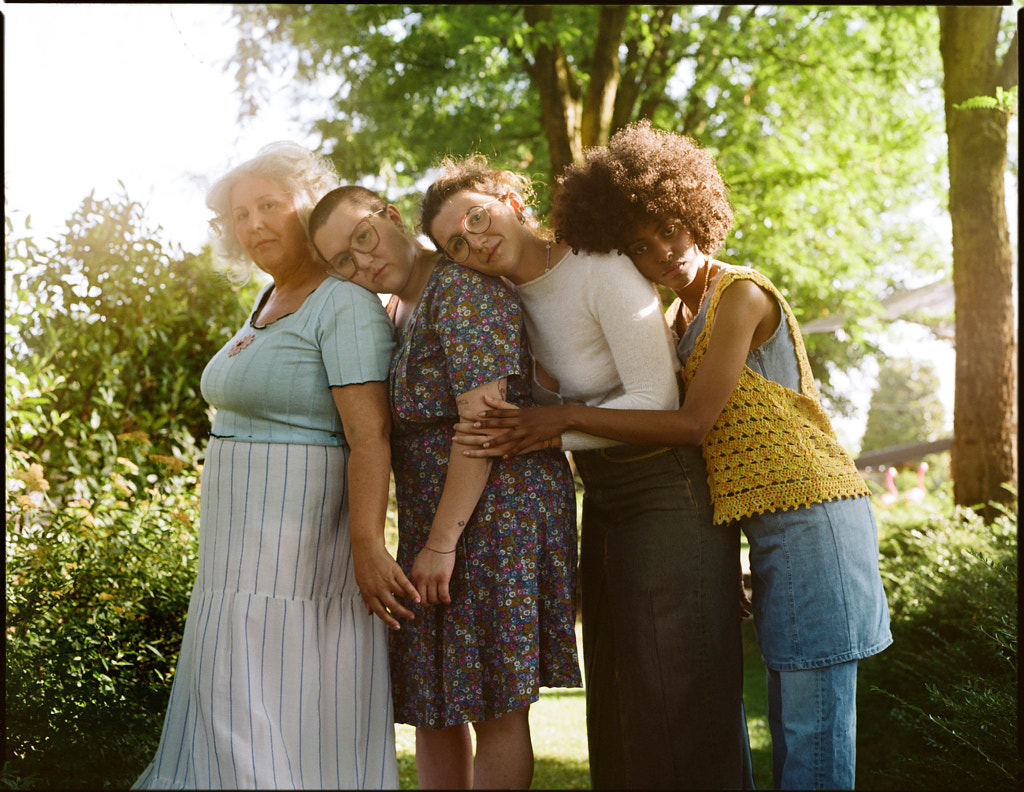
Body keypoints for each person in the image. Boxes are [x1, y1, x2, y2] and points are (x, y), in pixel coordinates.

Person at [463, 120, 893, 790]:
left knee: (812, 726)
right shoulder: (674, 321)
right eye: (638, 245)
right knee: (782, 713)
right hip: (760, 526)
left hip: (817, 517)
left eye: (670, 228)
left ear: (697, 212)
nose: (664, 250)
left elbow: (689, 425)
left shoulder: (740, 295)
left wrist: (562, 420)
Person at [421, 157, 749, 789]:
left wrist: (554, 426)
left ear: (512, 199)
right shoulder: (504, 300)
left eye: (477, 217)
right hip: (602, 496)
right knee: (618, 691)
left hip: (665, 490)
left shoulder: (598, 267)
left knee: (672, 687)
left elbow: (656, 399)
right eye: (456, 243)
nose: (475, 241)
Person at [133, 142, 418, 790]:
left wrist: (369, 544)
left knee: (271, 699)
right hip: (236, 563)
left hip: (298, 562)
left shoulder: (341, 302)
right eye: (240, 214)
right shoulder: (267, 299)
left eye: (269, 205)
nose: (254, 223)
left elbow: (370, 435)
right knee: (236, 700)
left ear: (306, 206)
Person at [307, 185, 581, 790]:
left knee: (494, 704)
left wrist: (441, 542)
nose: (363, 262)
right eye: (343, 262)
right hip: (443, 516)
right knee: (435, 700)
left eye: (363, 237)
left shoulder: (460, 288)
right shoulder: (395, 310)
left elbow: (482, 423)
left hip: (498, 510)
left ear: (391, 215)